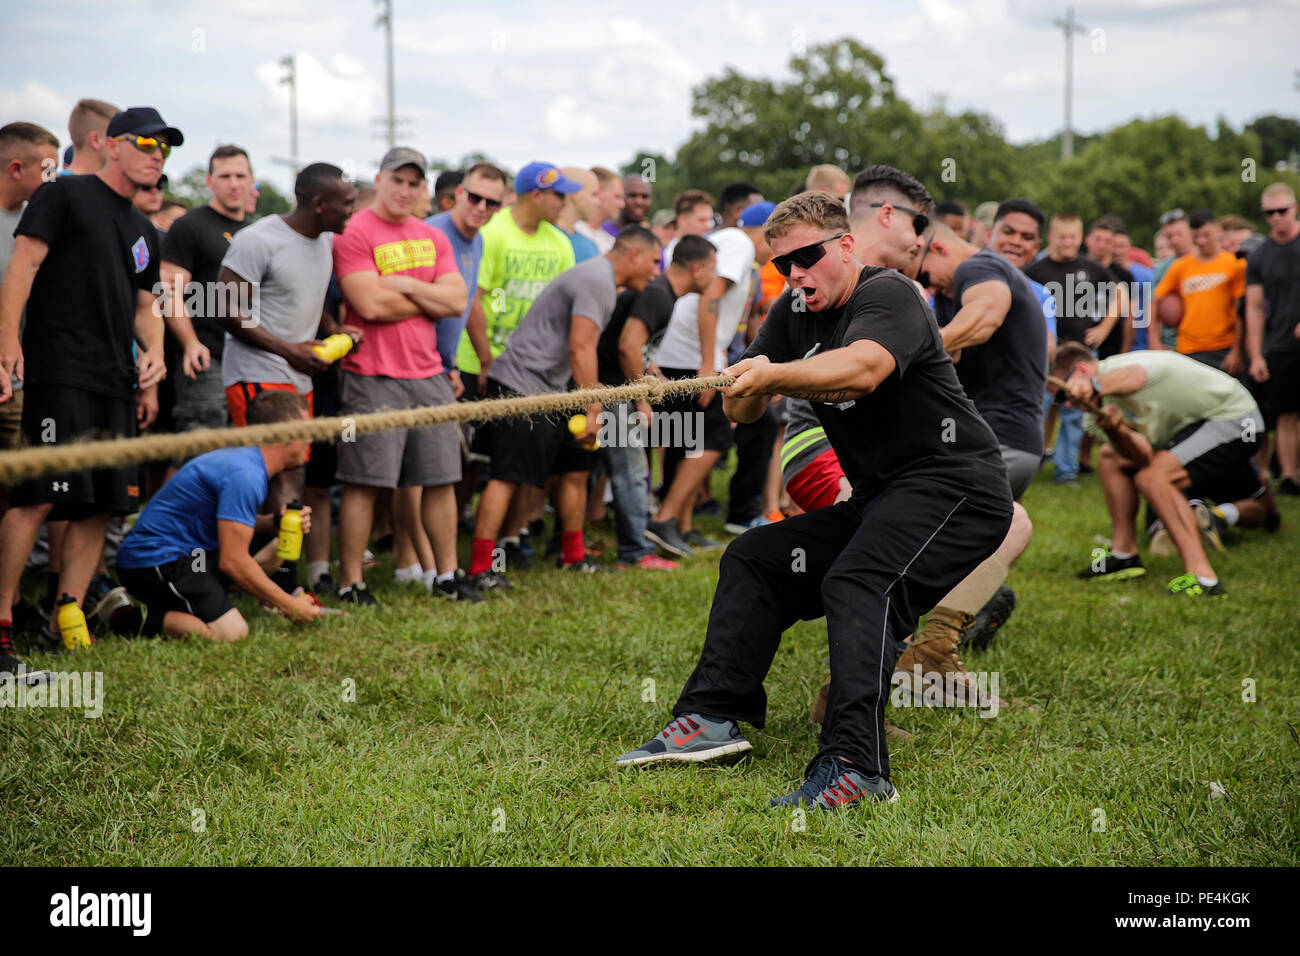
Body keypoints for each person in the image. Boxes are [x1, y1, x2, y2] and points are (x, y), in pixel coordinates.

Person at [616, 191, 1013, 812]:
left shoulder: (889, 295)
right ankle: (713, 717)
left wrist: (771, 375)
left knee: (859, 582)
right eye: (783, 265)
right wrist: (744, 385)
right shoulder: (792, 310)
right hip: (883, 496)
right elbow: (739, 408)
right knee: (757, 556)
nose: (797, 274)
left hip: (957, 487)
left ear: (846, 245)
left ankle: (856, 767)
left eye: (808, 257)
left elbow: (862, 370)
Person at [0, 106, 178, 660]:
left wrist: (157, 354)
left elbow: (146, 305)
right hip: (61, 371)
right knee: (39, 498)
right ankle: (2, 619)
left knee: (100, 504)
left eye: (165, 148)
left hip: (115, 379)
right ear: (111, 144)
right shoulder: (64, 195)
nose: (156, 154)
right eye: (147, 142)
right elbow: (22, 267)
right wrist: (8, 340)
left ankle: (66, 615)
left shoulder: (144, 228)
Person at [467, 226, 661, 590]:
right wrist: (593, 407)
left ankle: (573, 556)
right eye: (653, 262)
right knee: (507, 476)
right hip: (520, 386)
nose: (655, 272)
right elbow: (580, 348)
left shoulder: (603, 280)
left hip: (556, 390)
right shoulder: (597, 280)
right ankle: (481, 569)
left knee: (575, 467)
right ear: (634, 254)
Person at [332, 146, 477, 606]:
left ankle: (446, 575)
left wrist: (406, 285)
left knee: (440, 478)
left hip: (429, 372)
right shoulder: (354, 232)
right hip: (371, 374)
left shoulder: (431, 236)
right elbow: (368, 304)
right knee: (364, 482)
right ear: (379, 179)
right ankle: (351, 583)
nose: (406, 190)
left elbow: (457, 301)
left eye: (415, 183)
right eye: (398, 180)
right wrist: (428, 294)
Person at [216, 162, 359, 592]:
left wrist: (335, 333)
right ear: (319, 204)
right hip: (257, 373)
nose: (352, 212)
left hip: (299, 375)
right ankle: (261, 578)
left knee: (293, 473)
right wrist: (288, 350)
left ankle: (278, 577)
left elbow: (309, 300)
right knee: (273, 476)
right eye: (346, 204)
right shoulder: (257, 240)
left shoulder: (325, 239)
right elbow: (224, 308)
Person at [1061, 342, 1277, 596]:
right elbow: (1140, 454)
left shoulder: (1121, 366)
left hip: (1237, 420)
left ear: (1082, 370)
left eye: (1064, 393)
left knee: (1154, 478)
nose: (1068, 404)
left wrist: (1094, 386)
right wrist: (1115, 430)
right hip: (1187, 438)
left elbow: (1136, 377)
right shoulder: (1092, 416)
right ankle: (1124, 554)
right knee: (1110, 456)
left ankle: (1203, 578)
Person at [115, 390, 325, 640]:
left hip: (191, 556)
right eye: (305, 430)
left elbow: (227, 522)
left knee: (272, 550)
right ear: (284, 434)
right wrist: (290, 605)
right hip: (156, 562)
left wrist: (274, 523)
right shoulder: (246, 474)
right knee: (231, 633)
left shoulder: (248, 463)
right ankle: (121, 616)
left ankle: (185, 602)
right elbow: (233, 561)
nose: (310, 438)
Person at [646, 201, 773, 556]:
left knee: (685, 442)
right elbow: (710, 299)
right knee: (713, 441)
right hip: (690, 358)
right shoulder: (740, 242)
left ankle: (680, 526)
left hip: (677, 353)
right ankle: (664, 518)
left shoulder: (734, 246)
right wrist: (708, 364)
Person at [596, 234, 718, 569]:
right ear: (697, 269)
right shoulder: (659, 294)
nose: (714, 277)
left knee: (610, 470)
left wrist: (653, 373)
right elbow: (626, 345)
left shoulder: (664, 294)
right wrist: (641, 399)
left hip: (616, 385)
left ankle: (582, 544)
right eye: (712, 269)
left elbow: (638, 345)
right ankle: (633, 555)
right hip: (611, 391)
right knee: (632, 471)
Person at [457, 162, 578, 396]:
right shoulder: (491, 233)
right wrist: (485, 361)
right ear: (536, 195)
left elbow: (565, 309)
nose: (565, 203)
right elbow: (472, 299)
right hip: (480, 364)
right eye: (559, 195)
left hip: (530, 371)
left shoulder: (561, 242)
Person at [160, 145, 254, 436]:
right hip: (205, 357)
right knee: (196, 452)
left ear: (252, 180)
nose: (234, 183)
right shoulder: (189, 226)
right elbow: (169, 293)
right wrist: (190, 343)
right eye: (225, 176)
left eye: (241, 175)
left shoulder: (255, 232)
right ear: (209, 181)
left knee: (238, 450)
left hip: (247, 357)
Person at [1025, 212, 1118, 484]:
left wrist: (1104, 327)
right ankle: (1026, 466)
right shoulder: (1036, 270)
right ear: (1052, 237)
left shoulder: (1092, 268)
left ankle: (1066, 471)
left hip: (1082, 354)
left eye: (1073, 237)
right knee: (1035, 409)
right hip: (1047, 352)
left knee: (1075, 411)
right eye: (1062, 237)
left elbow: (1119, 294)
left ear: (1081, 238)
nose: (1068, 242)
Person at [1246, 182, 1300, 496]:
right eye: (1270, 213)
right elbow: (1253, 308)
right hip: (1280, 344)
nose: (1276, 217)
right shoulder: (1260, 256)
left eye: (1282, 211)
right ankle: (1290, 477)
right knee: (1286, 413)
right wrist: (1256, 354)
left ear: (1294, 207)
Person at [1154, 209, 1246, 372]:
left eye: (1206, 235)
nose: (1201, 241)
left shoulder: (1234, 265)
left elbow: (1241, 311)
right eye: (1196, 236)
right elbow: (1155, 300)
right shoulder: (1180, 267)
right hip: (1188, 348)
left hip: (1224, 346)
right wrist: (1154, 342)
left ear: (1217, 230)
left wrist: (1237, 351)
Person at [556, 167, 602, 263]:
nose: (598, 202)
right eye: (593, 194)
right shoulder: (545, 239)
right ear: (575, 195)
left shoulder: (589, 245)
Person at [64, 98, 120, 176]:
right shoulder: (60, 187)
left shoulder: (54, 184)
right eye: (117, 139)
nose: (122, 147)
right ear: (96, 140)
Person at [577, 167, 621, 254]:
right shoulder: (572, 232)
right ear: (599, 192)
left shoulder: (611, 242)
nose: (622, 204)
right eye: (617, 196)